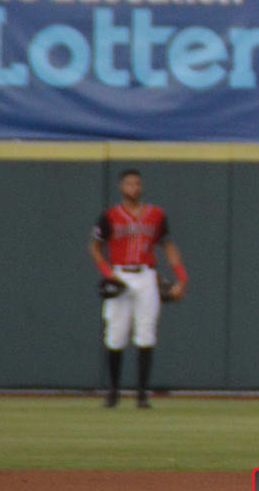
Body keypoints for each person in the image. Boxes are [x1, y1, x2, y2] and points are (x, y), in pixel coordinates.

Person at [89, 168, 186, 409]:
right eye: (130, 184)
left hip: (146, 275)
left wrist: (181, 279)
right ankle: (113, 392)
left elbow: (169, 246)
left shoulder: (156, 215)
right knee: (116, 333)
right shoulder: (110, 215)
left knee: (146, 332)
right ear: (121, 187)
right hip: (120, 273)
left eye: (137, 183)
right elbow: (94, 247)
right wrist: (108, 274)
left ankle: (142, 395)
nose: (134, 187)